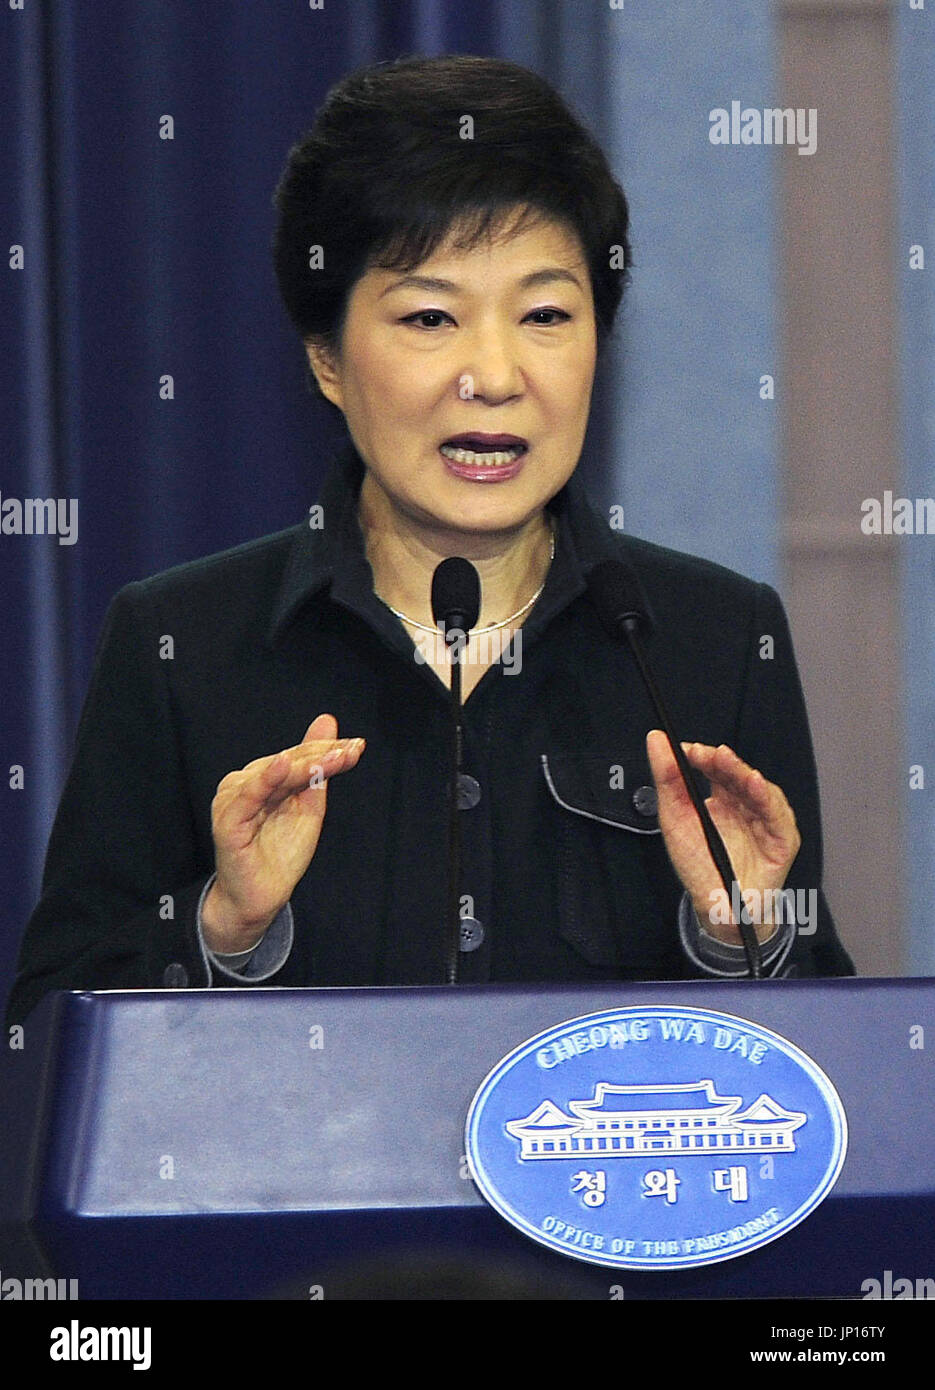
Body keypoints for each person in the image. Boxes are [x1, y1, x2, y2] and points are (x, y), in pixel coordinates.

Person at [5, 54, 853, 1027]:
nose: (492, 373)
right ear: (325, 357)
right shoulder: (180, 645)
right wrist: (222, 929)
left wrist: (739, 934)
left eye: (542, 314)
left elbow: (824, 1073)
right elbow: (45, 1033)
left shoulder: (711, 641)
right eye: (429, 316)